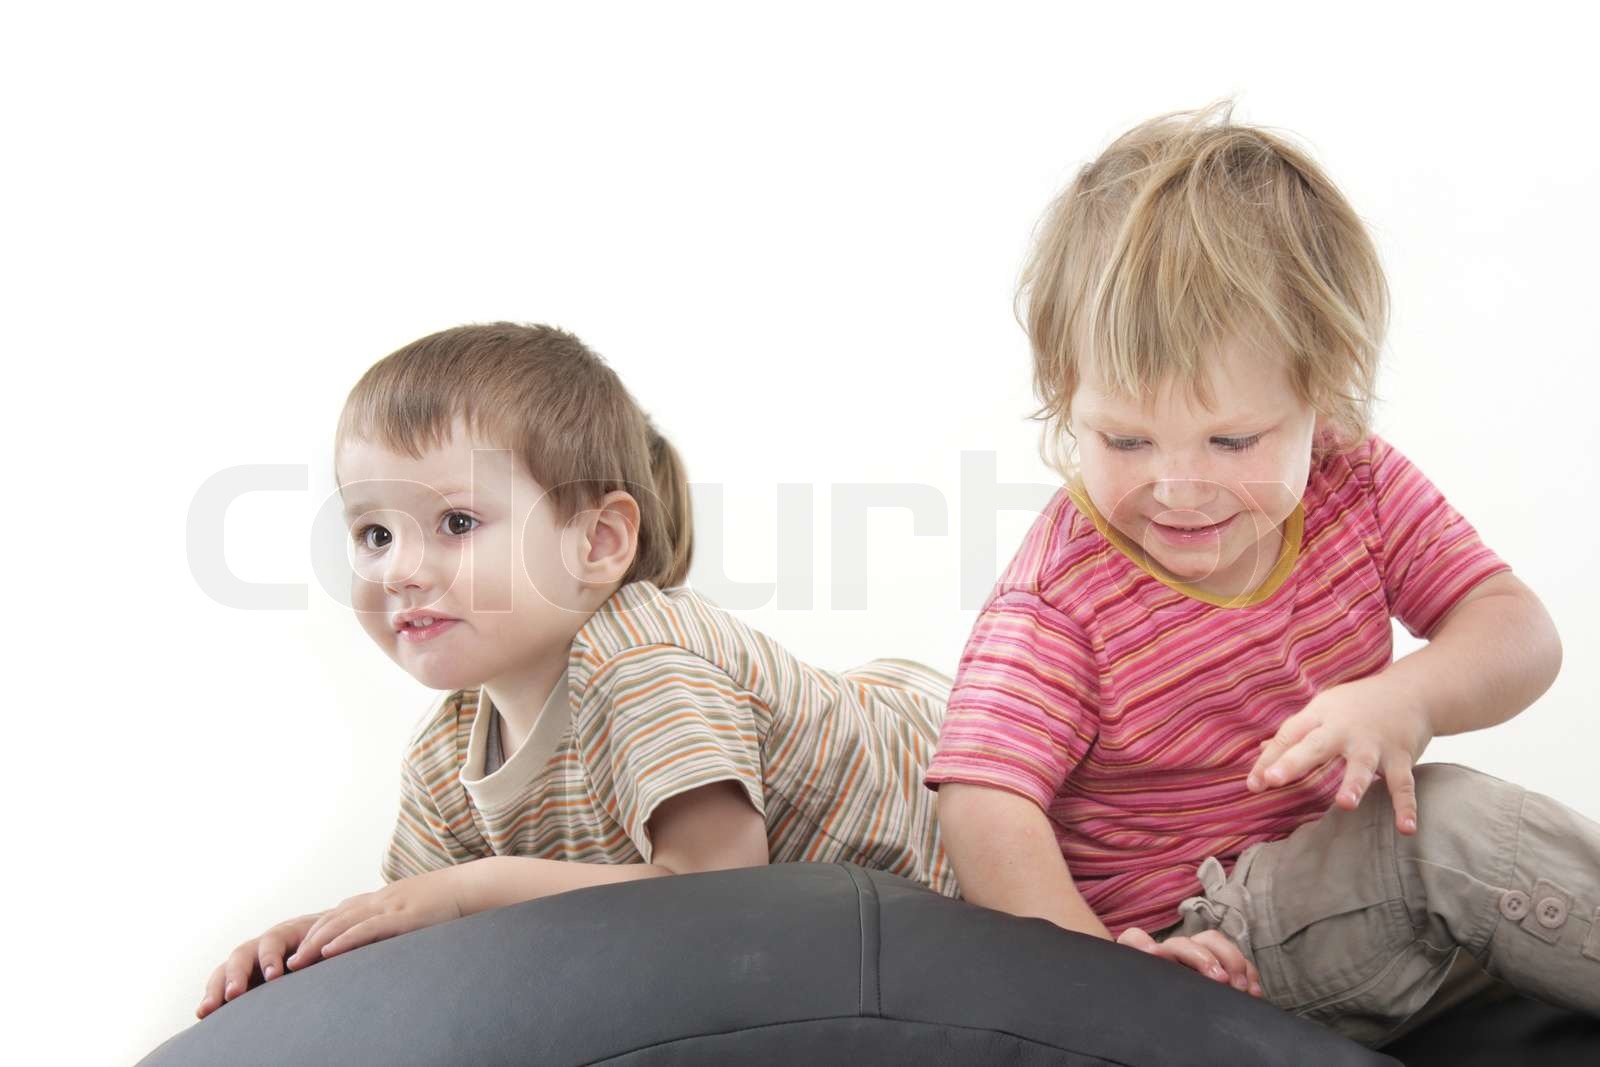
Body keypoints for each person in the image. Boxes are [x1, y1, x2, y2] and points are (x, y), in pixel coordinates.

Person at [924, 103, 1600, 1047]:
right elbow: (983, 800)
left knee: (1510, 871)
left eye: (1232, 438)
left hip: (1343, 903)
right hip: (1204, 937)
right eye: (1124, 439)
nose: (1179, 485)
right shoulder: (1061, 597)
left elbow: (1518, 627)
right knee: (1457, 833)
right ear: (1064, 398)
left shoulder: (1352, 481)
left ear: (1320, 403)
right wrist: (1109, 977)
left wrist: (1409, 696)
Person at [197, 323, 956, 1019]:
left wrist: (473, 890)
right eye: (372, 532)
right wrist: (309, 948)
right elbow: (414, 929)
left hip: (936, 778)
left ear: (595, 543)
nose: (398, 569)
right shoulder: (443, 758)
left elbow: (723, 893)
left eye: (455, 523)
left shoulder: (643, 657)